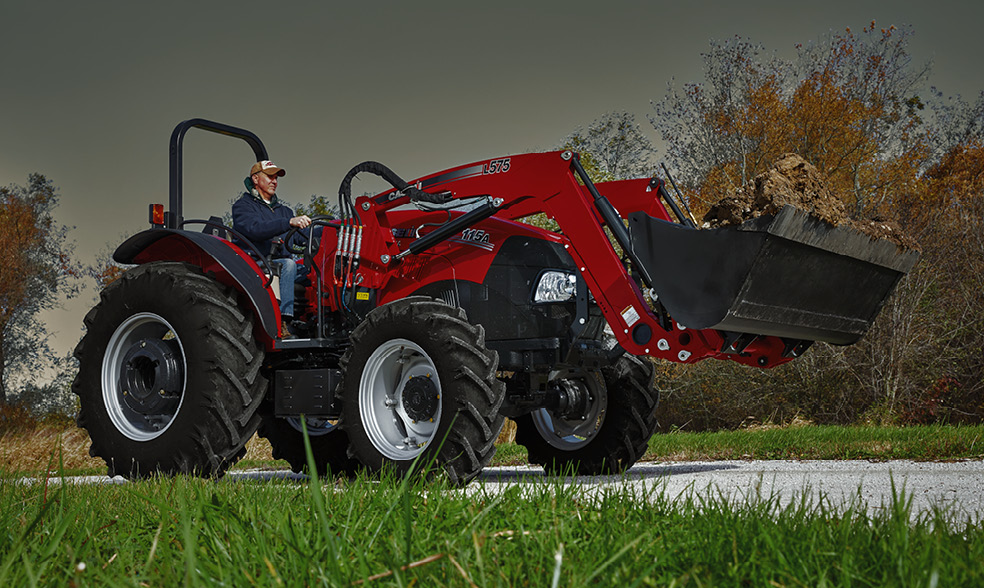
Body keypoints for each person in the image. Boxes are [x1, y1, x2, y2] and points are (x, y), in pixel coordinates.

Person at [232, 160, 311, 337]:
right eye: (270, 177)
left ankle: (314, 321)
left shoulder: (284, 210)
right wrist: (288, 222)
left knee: (316, 272)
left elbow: (298, 238)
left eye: (276, 178)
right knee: (288, 265)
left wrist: (326, 232)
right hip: (257, 263)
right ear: (255, 179)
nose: (274, 181)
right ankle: (284, 321)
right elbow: (255, 229)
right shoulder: (243, 207)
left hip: (279, 264)